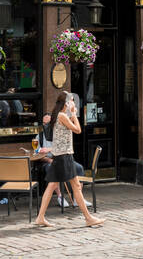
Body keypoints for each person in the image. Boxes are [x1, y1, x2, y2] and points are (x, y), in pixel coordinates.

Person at [34, 92, 103, 227]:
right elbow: (77, 130)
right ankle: (88, 218)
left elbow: (70, 127)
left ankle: (40, 217)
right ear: (66, 103)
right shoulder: (62, 116)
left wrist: (72, 115)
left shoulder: (59, 116)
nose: (73, 103)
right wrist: (73, 114)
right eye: (71, 101)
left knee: (56, 186)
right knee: (73, 186)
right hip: (64, 156)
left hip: (61, 155)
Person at [35, 112, 83, 207]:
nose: (46, 125)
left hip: (62, 159)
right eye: (44, 123)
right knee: (51, 168)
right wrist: (48, 159)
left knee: (79, 168)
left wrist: (50, 149)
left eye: (48, 123)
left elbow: (65, 147)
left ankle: (77, 198)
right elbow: (37, 154)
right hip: (48, 161)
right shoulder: (39, 137)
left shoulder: (59, 133)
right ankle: (60, 196)